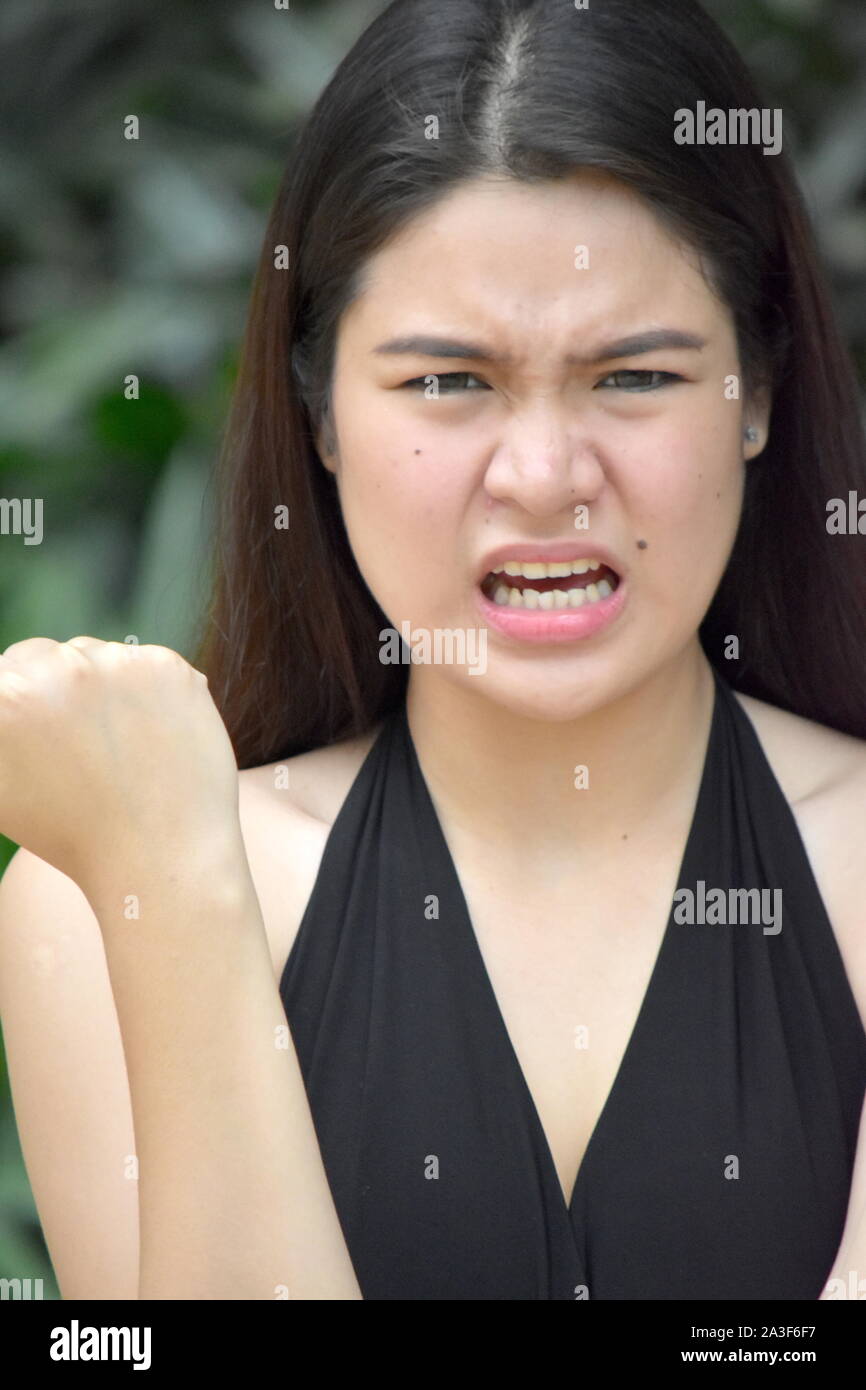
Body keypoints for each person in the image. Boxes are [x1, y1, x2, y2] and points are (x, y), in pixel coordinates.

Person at [1, 0, 865, 1301]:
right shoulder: (98, 898)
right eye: (447, 382)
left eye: (633, 377)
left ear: (755, 395)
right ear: (322, 420)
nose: (542, 475)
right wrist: (174, 885)